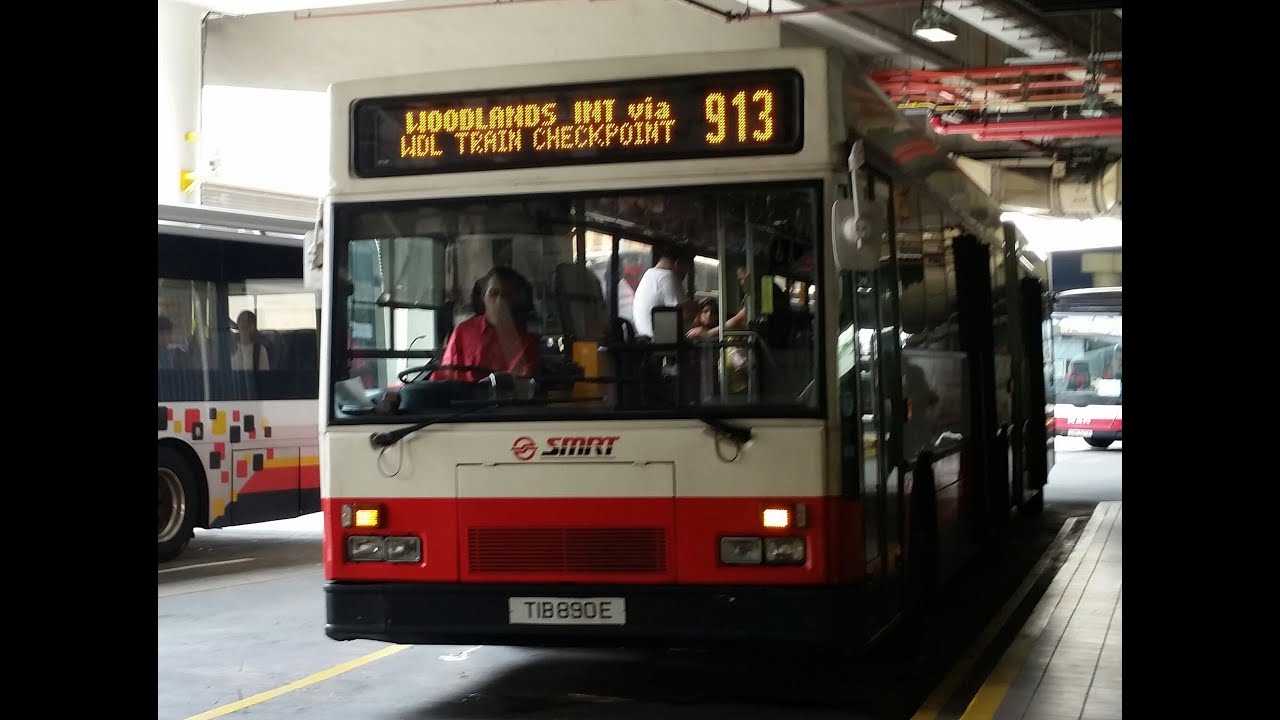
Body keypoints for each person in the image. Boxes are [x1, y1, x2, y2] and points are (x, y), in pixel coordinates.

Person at [433, 266, 540, 382]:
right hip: (463, 398)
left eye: (507, 295)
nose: (500, 301)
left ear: (518, 300)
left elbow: (522, 386)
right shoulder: (463, 332)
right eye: (494, 294)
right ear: (483, 298)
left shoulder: (528, 343)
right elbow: (445, 377)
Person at [631, 245, 696, 339]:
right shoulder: (667, 276)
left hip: (648, 340)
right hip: (662, 343)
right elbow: (686, 313)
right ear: (678, 264)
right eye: (685, 271)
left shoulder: (650, 274)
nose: (684, 277)